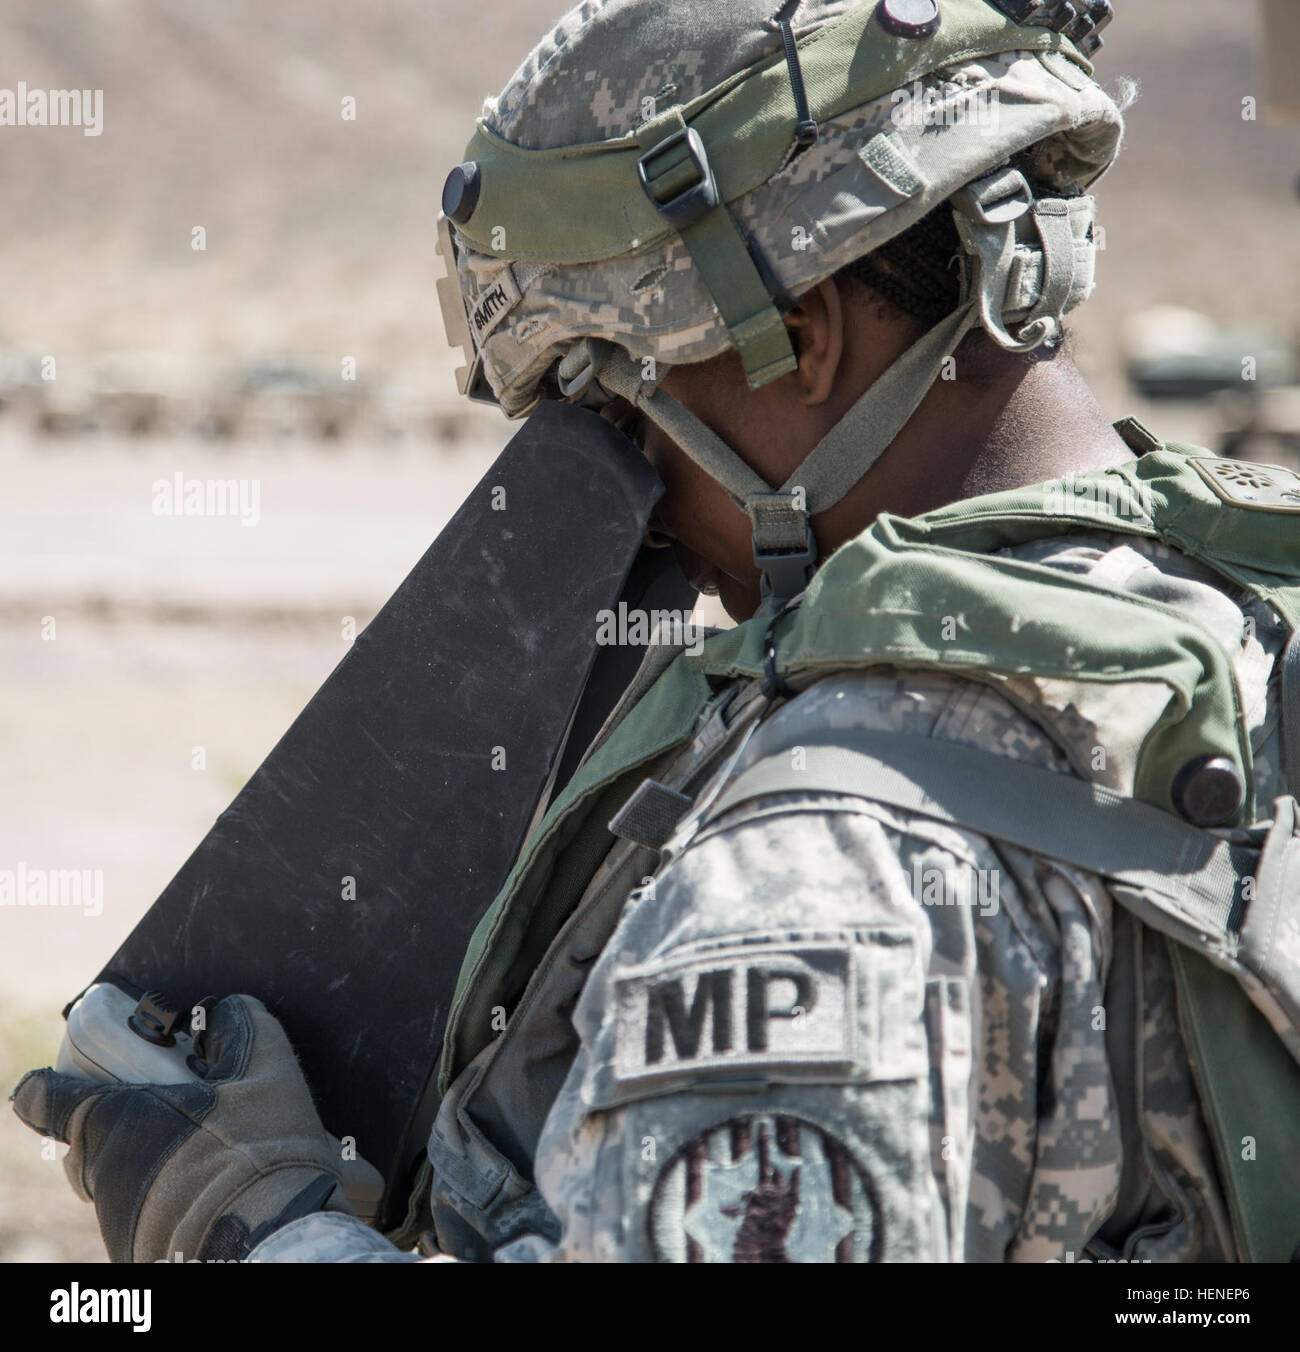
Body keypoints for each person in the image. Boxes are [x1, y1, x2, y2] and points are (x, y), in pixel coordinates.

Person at [14, 0, 1300, 1264]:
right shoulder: (1244, 612)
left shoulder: (826, 867)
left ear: (794, 343)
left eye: (610, 406)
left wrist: (256, 1222)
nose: (625, 505)